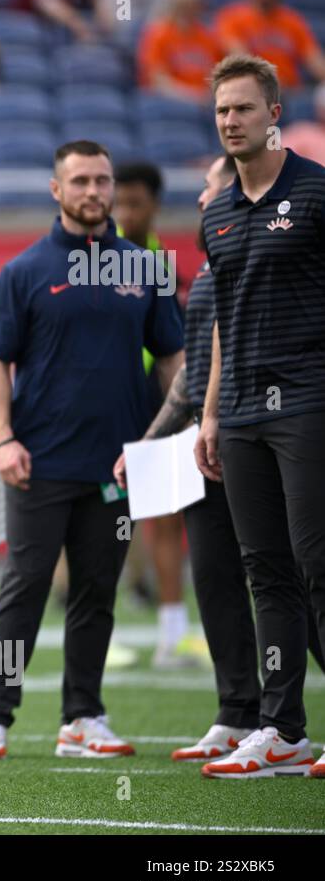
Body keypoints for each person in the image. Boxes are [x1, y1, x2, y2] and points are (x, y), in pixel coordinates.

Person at [0, 139, 184, 764]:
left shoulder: (145, 268)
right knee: (27, 585)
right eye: (81, 180)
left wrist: (186, 426)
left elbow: (174, 359)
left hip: (117, 466)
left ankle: (82, 717)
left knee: (97, 591)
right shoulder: (25, 271)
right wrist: (3, 441)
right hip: (39, 463)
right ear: (57, 190)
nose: (94, 191)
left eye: (103, 180)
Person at [114, 152, 325, 762]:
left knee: (301, 572)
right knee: (218, 577)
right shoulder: (209, 272)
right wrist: (160, 436)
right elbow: (195, 373)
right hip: (213, 435)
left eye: (213, 187)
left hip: (274, 425)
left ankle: (283, 716)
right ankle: (239, 711)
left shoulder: (270, 258)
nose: (205, 199)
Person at [194, 54, 325, 779]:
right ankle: (283, 729)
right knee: (266, 572)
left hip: (308, 403)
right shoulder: (215, 213)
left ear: (275, 114)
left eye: (244, 108)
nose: (231, 121)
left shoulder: (316, 195)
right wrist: (211, 415)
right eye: (221, 111)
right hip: (239, 414)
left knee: (318, 564)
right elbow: (221, 320)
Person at [112, 161, 191, 667]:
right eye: (118, 202)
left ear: (155, 205)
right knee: (107, 522)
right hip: (111, 400)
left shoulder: (166, 266)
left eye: (134, 203)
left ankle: (172, 634)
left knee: (166, 516)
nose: (124, 212)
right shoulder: (94, 258)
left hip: (160, 403)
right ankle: (108, 633)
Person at [214, 0, 325, 91]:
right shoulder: (232, 17)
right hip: (253, 91)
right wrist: (273, 83)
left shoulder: (292, 20)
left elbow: (315, 60)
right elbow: (243, 61)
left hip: (289, 93)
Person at [136, 0, 224, 104]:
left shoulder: (208, 36)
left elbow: (218, 76)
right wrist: (191, 97)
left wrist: (207, 95)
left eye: (195, 5)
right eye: (185, 5)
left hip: (204, 103)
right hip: (166, 102)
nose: (190, 10)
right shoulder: (157, 34)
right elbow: (157, 80)